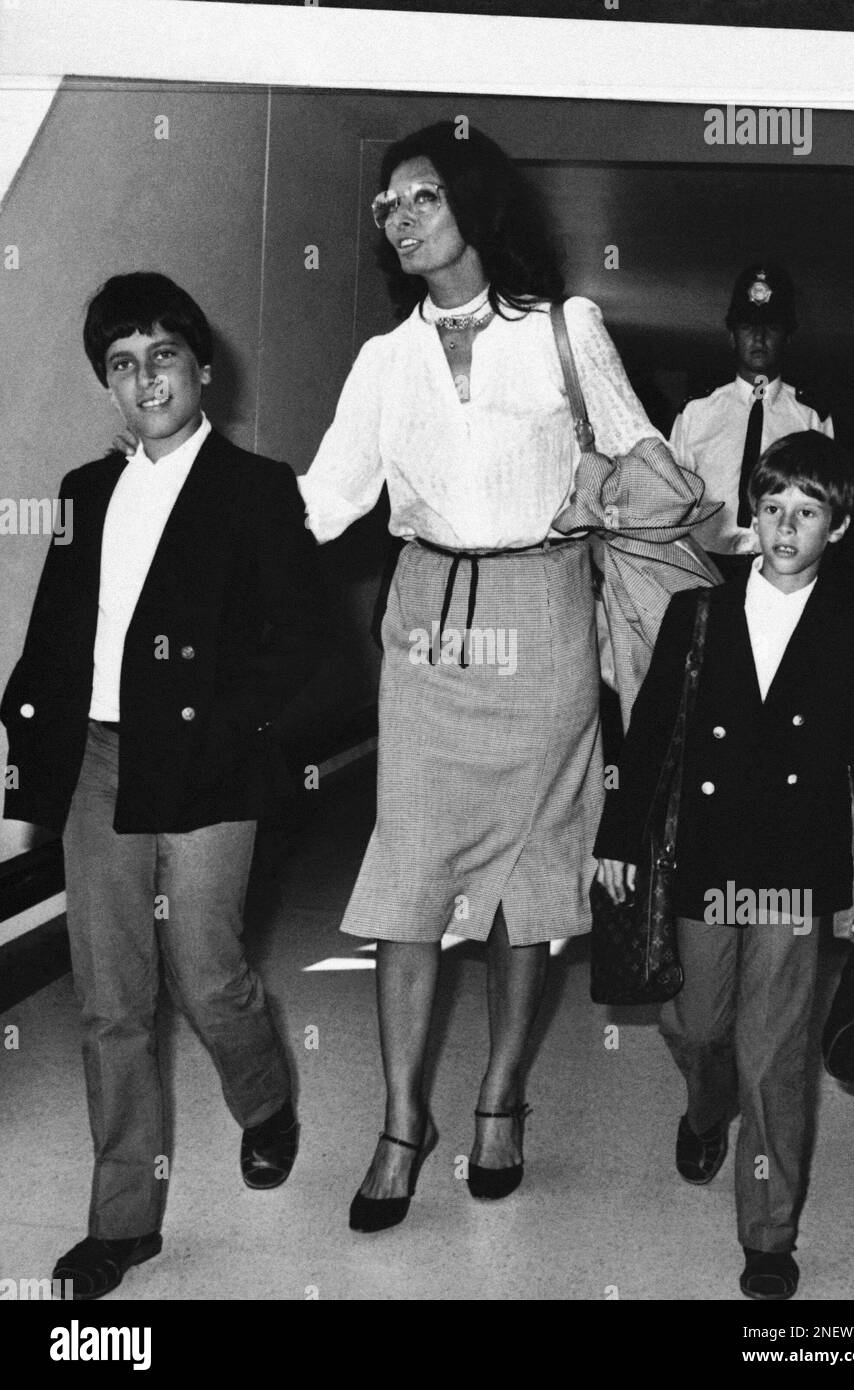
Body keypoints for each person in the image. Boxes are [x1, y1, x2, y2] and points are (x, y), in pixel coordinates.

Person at [299, 121, 707, 1232]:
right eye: (386, 206)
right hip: (427, 617)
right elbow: (321, 504)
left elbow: (643, 460)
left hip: (543, 610)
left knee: (531, 884)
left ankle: (497, 1101)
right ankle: (399, 1122)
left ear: (474, 204)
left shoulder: (565, 330)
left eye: (419, 195)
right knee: (410, 884)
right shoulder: (385, 361)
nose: (399, 216)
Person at [0, 272, 327, 1299]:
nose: (145, 378)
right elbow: (53, 642)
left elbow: (303, 642)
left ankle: (266, 1101)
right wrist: (23, 767)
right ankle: (123, 1221)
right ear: (110, 383)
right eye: (123, 364)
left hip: (208, 763)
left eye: (163, 357)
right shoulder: (85, 492)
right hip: (99, 757)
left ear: (203, 370)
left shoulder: (257, 488)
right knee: (110, 1000)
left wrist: (229, 726)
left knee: (208, 972)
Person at [595, 431, 854, 1300]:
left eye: (806, 513)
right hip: (703, 856)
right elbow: (651, 731)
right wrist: (619, 838)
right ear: (751, 511)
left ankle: (768, 1232)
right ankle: (704, 1106)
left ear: (837, 529)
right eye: (770, 506)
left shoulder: (853, 633)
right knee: (700, 1026)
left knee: (772, 1052)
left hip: (790, 870)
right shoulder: (697, 611)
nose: (784, 526)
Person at [670, 263, 834, 576]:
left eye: (771, 328)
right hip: (704, 563)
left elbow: (824, 503)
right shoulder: (697, 411)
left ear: (787, 337)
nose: (758, 337)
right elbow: (672, 499)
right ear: (732, 336)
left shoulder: (811, 416)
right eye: (747, 327)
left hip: (779, 566)